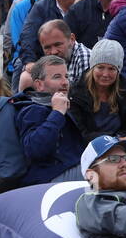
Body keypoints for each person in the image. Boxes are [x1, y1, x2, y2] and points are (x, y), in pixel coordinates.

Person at [14, 55, 85, 184]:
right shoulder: (32, 109)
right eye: (57, 77)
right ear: (39, 84)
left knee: (119, 158)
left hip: (68, 169)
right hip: (47, 180)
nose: (65, 82)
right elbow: (35, 150)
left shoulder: (65, 104)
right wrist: (57, 113)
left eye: (66, 76)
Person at [66, 39, 126, 145]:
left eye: (111, 69)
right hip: (88, 149)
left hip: (122, 146)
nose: (105, 74)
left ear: (118, 70)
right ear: (92, 67)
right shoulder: (76, 91)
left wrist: (120, 141)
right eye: (100, 67)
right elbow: (78, 133)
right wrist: (115, 141)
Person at [16, 0, 83, 71]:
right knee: (22, 69)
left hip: (77, 61)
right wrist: (30, 62)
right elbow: (28, 36)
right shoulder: (41, 8)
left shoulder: (84, 8)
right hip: (45, 60)